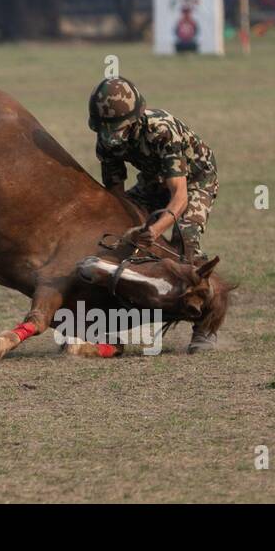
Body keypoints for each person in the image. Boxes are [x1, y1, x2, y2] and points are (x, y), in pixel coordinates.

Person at [88, 76, 220, 352]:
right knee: (114, 234)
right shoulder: (106, 142)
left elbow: (180, 196)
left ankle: (206, 326)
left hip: (195, 180)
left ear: (135, 120)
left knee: (186, 243)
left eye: (118, 128)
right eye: (106, 129)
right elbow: (115, 194)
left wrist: (154, 231)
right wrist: (127, 226)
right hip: (153, 180)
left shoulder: (162, 130)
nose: (112, 137)